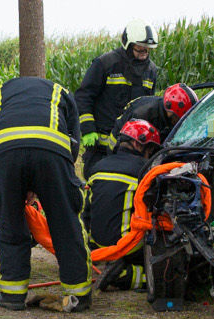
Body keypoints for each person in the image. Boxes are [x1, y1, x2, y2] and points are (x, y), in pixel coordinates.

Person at [0, 75, 88, 311]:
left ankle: (11, 296)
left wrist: (3, 181)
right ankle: (79, 295)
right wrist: (52, 181)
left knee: (10, 223)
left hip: (6, 155)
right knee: (66, 223)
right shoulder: (62, 92)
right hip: (52, 152)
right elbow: (74, 142)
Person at [86, 117, 163, 291]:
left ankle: (114, 266)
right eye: (150, 149)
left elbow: (86, 211)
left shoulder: (98, 166)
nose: (150, 155)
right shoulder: (145, 171)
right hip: (127, 247)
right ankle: (127, 276)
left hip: (97, 244)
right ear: (138, 145)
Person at [76, 21, 164, 171]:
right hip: (100, 147)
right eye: (139, 48)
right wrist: (87, 128)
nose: (144, 53)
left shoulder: (151, 70)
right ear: (128, 45)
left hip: (132, 147)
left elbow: (148, 105)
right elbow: (84, 96)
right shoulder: (106, 64)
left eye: (147, 49)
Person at [111, 82, 197, 142]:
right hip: (119, 146)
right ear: (170, 111)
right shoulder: (144, 115)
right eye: (177, 118)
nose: (178, 122)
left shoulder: (166, 115)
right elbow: (132, 147)